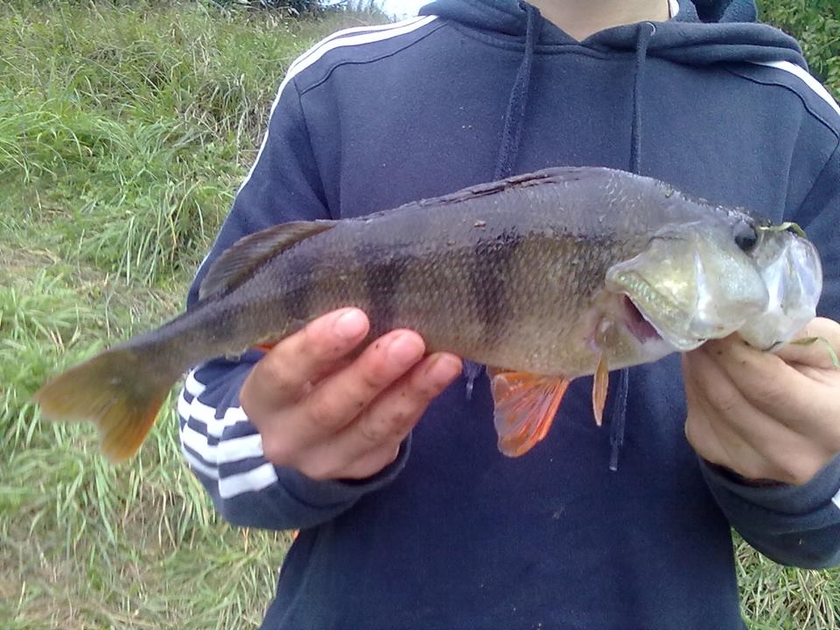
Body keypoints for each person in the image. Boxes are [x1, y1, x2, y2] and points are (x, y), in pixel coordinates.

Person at [176, 0, 840, 627]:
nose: (759, 252)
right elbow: (210, 387)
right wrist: (282, 442)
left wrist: (805, 478)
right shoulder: (336, 86)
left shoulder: (799, 123)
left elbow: (825, 527)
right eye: (744, 242)